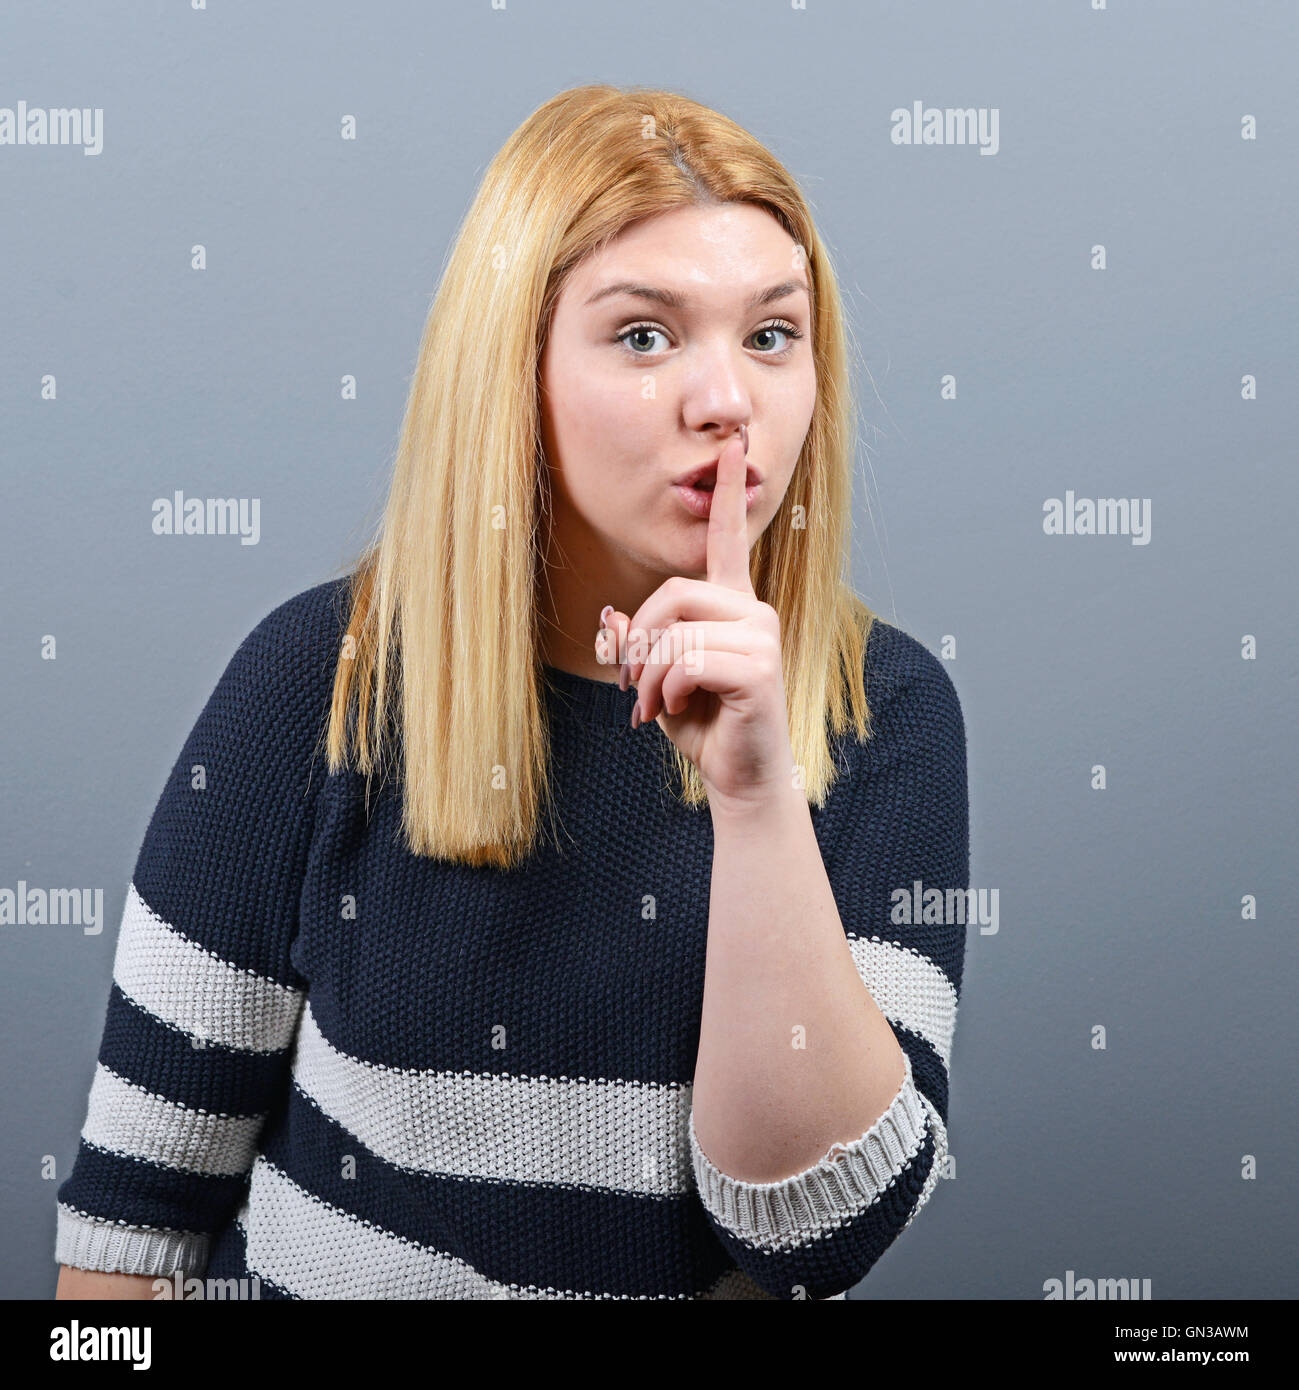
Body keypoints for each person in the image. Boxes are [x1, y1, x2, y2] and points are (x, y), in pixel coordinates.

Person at [54, 83, 969, 1301]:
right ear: (512, 367)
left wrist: (755, 798)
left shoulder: (883, 714)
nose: (728, 401)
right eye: (644, 335)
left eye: (771, 334)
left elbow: (822, 1238)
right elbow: (130, 1237)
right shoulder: (317, 686)